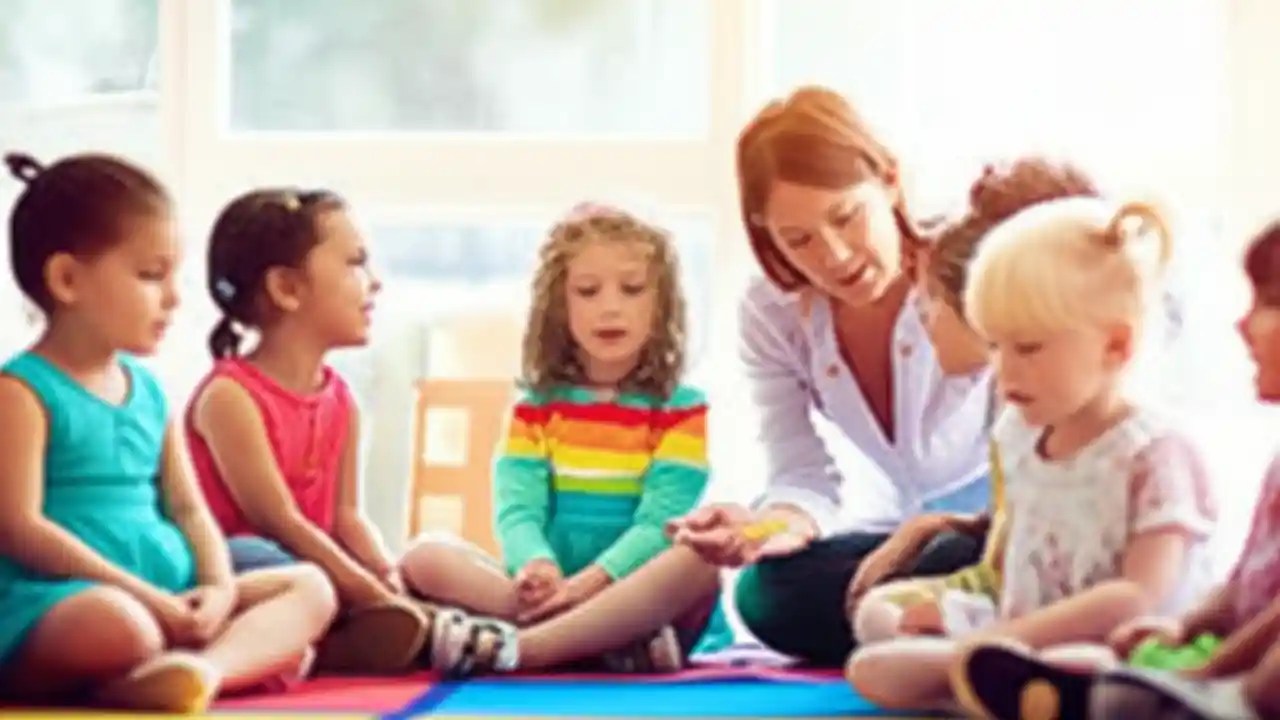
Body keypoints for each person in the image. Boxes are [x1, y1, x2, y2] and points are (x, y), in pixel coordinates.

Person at [846, 197, 1217, 713]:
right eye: (994, 346)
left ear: (1116, 346)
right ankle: (996, 688)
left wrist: (1006, 638)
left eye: (1028, 349)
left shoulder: (1155, 452)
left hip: (1118, 647)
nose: (1004, 371)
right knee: (875, 650)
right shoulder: (1018, 433)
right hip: (1013, 631)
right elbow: (1015, 563)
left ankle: (1000, 684)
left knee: (1092, 668)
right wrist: (975, 627)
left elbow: (1138, 595)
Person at [0, 153, 336, 713]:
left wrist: (219, 587)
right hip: (67, 600)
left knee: (309, 588)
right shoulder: (22, 391)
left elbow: (187, 507)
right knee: (121, 627)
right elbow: (20, 528)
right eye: (151, 275)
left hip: (169, 592)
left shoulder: (152, 392)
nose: (176, 297)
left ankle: (201, 671)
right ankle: (171, 666)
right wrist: (144, 598)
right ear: (66, 279)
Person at [670, 85, 994, 666]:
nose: (835, 256)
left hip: (1002, 529)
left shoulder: (971, 265)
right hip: (911, 549)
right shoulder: (773, 313)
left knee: (959, 561)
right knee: (767, 594)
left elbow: (1038, 452)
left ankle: (924, 625)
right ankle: (939, 630)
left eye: (847, 217)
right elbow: (802, 473)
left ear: (890, 180)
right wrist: (769, 527)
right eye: (798, 240)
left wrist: (919, 539)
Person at [966, 220, 1280, 720]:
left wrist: (1215, 674)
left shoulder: (1155, 449)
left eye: (1271, 304)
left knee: (1109, 682)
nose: (1242, 325)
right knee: (1114, 680)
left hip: (1246, 674)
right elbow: (1244, 586)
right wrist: (1187, 630)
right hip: (1226, 659)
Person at [405, 203, 732, 674]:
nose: (611, 306)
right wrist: (535, 565)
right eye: (588, 291)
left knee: (697, 561)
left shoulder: (682, 408)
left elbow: (660, 521)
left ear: (660, 304)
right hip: (548, 589)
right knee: (426, 555)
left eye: (633, 289)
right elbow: (518, 507)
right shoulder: (535, 406)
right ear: (560, 306)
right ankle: (594, 643)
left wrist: (589, 586)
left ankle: (525, 645)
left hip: (635, 593)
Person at [848, 158, 1100, 645]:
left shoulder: (1095, 419)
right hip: (1002, 583)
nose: (922, 319)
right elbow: (1013, 521)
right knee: (869, 608)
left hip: (1065, 603)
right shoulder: (1012, 413)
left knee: (934, 566)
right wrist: (933, 524)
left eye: (932, 302)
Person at [186, 188, 434, 674]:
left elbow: (346, 518)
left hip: (314, 565)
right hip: (242, 570)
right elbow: (280, 520)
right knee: (263, 555)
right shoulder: (229, 398)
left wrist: (386, 574)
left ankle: (318, 648)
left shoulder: (342, 399)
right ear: (287, 288)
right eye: (355, 263)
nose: (375, 283)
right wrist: (366, 592)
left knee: (422, 565)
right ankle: (307, 638)